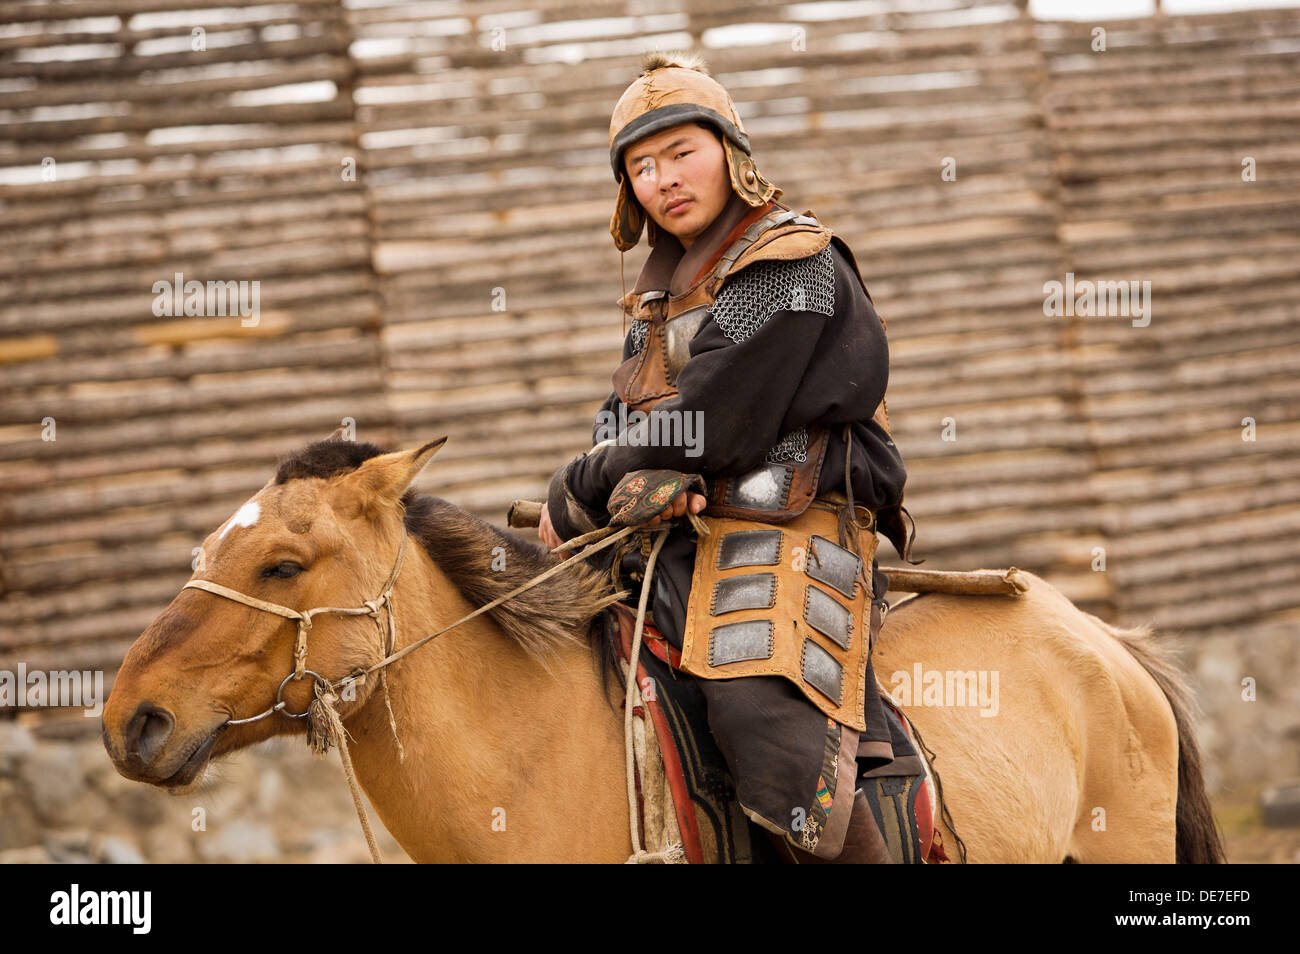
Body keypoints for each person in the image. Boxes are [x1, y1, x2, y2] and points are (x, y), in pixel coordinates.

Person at [540, 50, 918, 862]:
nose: (663, 179)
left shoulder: (789, 262)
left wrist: (579, 484)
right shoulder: (661, 290)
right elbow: (629, 419)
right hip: (692, 523)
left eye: (682, 152)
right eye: (641, 166)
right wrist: (616, 475)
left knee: (756, 705)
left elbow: (709, 426)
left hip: (798, 513)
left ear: (732, 153)